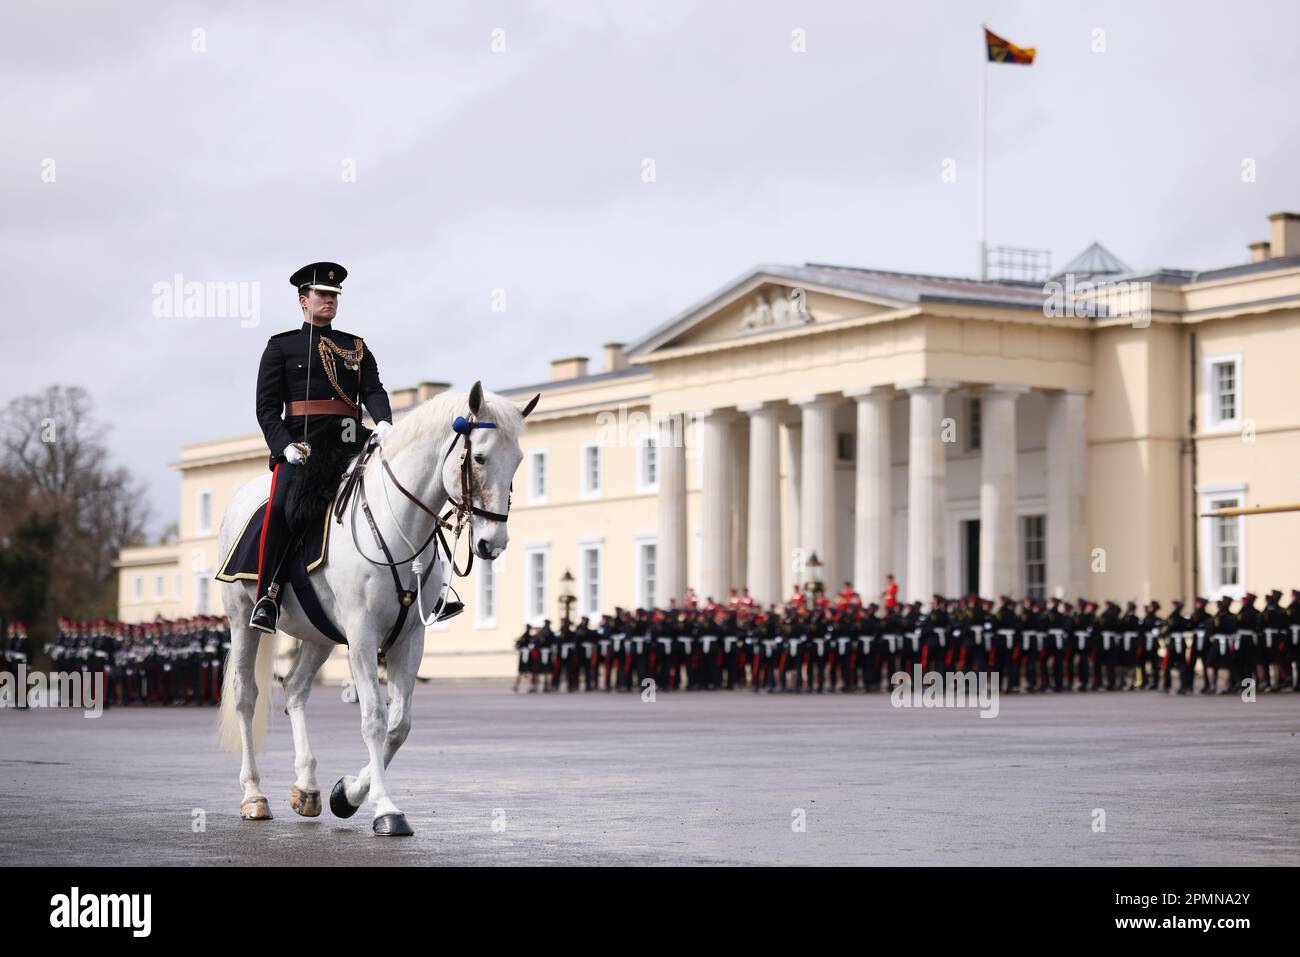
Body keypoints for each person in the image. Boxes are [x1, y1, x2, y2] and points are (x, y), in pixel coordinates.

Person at [247, 262, 398, 634]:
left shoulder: (356, 347)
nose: (330, 300)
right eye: (322, 294)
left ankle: (430, 589)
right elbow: (266, 408)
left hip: (350, 441)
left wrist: (383, 422)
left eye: (334, 296)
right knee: (282, 507)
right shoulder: (281, 347)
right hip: (303, 447)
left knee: (402, 490)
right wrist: (283, 447)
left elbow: (373, 391)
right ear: (303, 300)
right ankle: (269, 595)